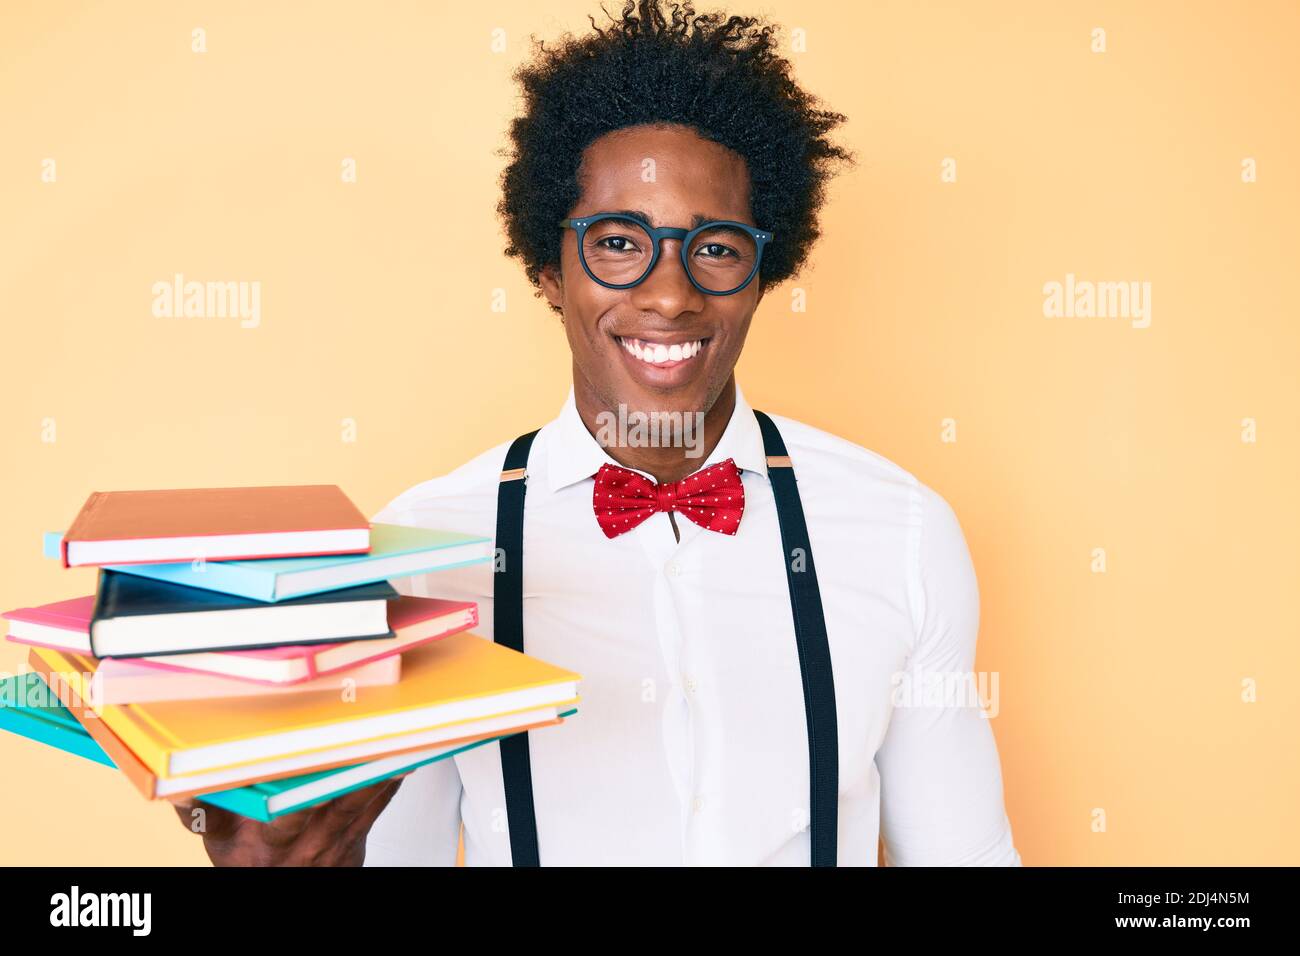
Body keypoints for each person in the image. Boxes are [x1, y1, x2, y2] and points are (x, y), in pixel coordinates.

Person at [175, 0, 1021, 866]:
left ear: (765, 272)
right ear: (550, 268)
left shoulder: (902, 533)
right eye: (619, 242)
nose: (669, 295)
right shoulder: (423, 552)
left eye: (717, 248)